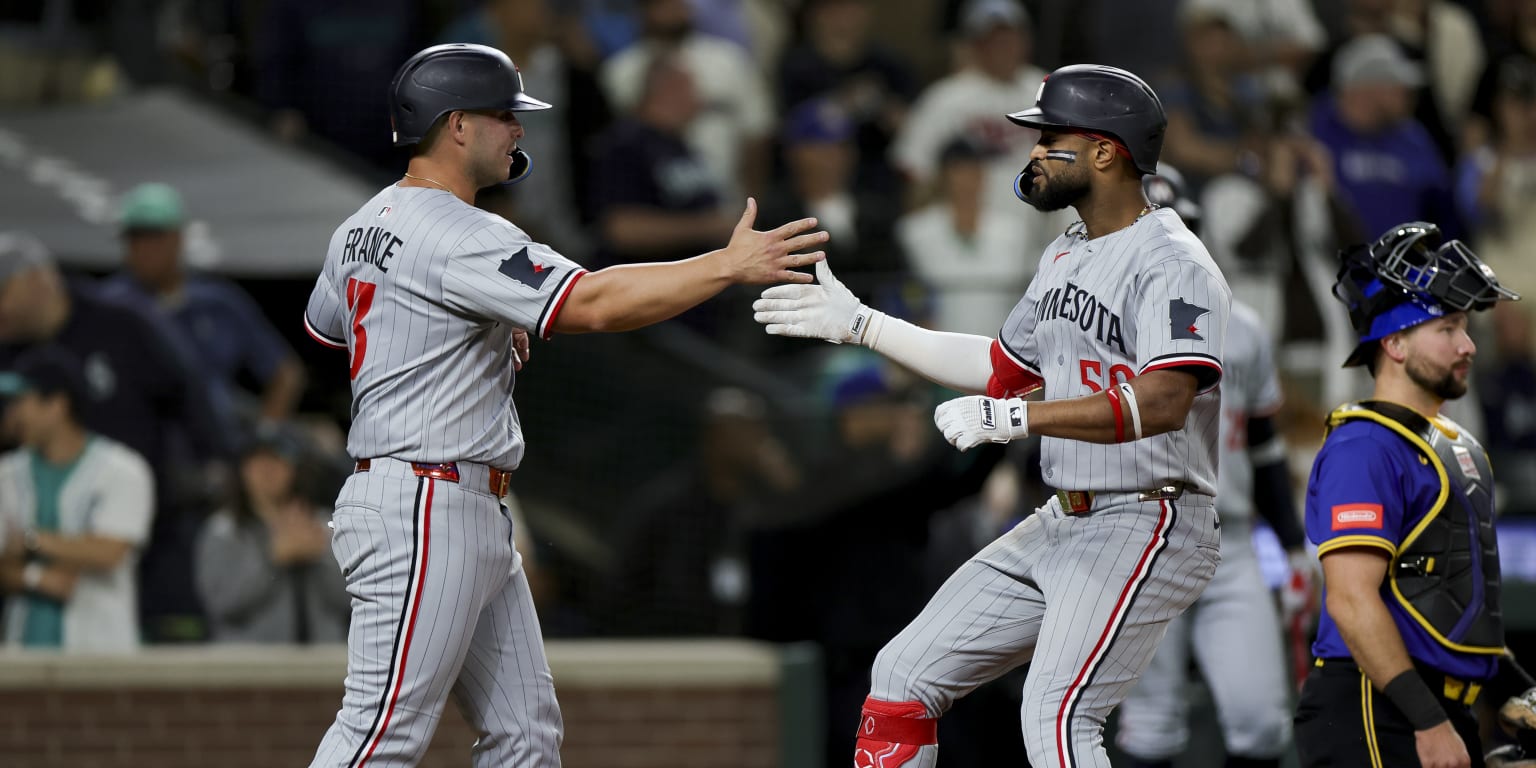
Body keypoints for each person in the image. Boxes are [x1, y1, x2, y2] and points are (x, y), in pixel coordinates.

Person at [301, 43, 826, 767]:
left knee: (526, 734)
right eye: (503, 115)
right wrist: (725, 264)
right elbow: (598, 304)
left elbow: (329, 331)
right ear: (455, 125)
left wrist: (477, 318)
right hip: (425, 499)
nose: (517, 130)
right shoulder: (461, 232)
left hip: (446, 494)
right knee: (380, 734)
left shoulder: (360, 224)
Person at [753, 63, 1231, 768]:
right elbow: (1001, 370)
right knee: (902, 677)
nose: (1033, 152)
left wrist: (1019, 423)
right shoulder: (1066, 253)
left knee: (1057, 715)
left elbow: (1163, 402)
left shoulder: (1174, 262)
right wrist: (862, 324)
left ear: (1105, 151)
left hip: (1149, 513)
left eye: (1050, 138)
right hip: (1065, 517)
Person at [1292, 221, 1525, 767]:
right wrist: (1428, 720)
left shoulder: (1453, 443)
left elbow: (1453, 598)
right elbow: (1351, 600)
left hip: (1435, 708)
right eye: (1447, 327)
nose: (1467, 344)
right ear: (1394, 343)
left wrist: (1515, 687)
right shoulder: (1364, 447)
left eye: (1465, 325)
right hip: (1376, 708)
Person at [1114, 172, 1310, 768]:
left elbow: (1265, 445)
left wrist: (1294, 547)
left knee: (1260, 723)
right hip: (1135, 533)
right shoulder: (1098, 325)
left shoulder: (1241, 326)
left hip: (1232, 540)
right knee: (1150, 728)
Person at [0, 231, 229, 643]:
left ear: (38, 281)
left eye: (3, 292)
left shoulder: (121, 324)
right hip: (36, 585)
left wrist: (214, 467)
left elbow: (190, 396)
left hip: (151, 527)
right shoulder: (9, 358)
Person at [99, 182, 307, 438]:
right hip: (136, 441)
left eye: (153, 237)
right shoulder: (109, 305)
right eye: (135, 239)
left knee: (321, 444)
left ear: (177, 239)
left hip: (218, 441)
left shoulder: (216, 302)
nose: (143, 250)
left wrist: (265, 436)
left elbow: (285, 373)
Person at [0, 346, 154, 652]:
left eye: (22, 401)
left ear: (57, 405)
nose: (12, 414)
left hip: (100, 651)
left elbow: (109, 552)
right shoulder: (6, 473)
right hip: (21, 649)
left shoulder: (123, 470)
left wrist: (30, 541)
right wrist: (38, 577)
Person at [195, 425, 349, 644]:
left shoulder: (326, 525)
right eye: (257, 462)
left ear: (295, 469)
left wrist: (320, 556)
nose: (267, 471)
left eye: (277, 461)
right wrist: (272, 559)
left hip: (320, 663)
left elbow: (353, 600)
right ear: (242, 470)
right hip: (250, 665)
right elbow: (222, 604)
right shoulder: (223, 530)